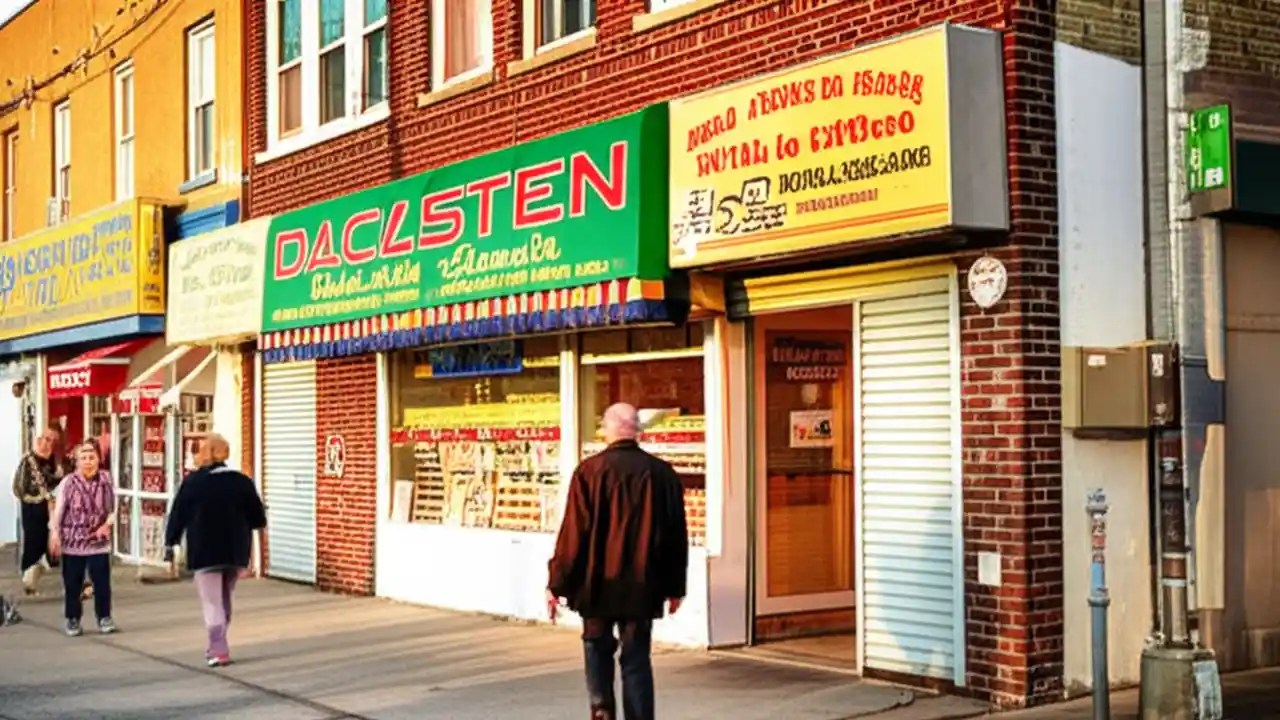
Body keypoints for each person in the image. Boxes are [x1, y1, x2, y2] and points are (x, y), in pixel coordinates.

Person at [547, 403, 689, 720]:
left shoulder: (589, 471)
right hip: (643, 583)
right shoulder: (662, 474)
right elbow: (676, 536)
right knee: (637, 656)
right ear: (636, 430)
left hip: (598, 583)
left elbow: (574, 533)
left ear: (609, 429)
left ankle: (601, 711)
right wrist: (675, 586)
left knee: (596, 647)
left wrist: (557, 582)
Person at [163, 434, 266, 667]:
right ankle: (218, 644)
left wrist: (171, 542)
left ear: (204, 453)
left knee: (212, 602)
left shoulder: (193, 482)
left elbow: (178, 515)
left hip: (204, 549)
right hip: (236, 549)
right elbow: (258, 517)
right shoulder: (242, 481)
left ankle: (218, 649)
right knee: (225, 597)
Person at [49, 441, 117, 636]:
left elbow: (114, 507)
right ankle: (72, 619)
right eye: (84, 458)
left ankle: (104, 617)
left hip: (98, 541)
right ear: (77, 461)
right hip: (73, 541)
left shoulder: (106, 480)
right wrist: (55, 534)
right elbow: (59, 510)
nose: (88, 462)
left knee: (102, 583)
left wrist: (107, 525)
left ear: (98, 459)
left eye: (92, 458)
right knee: (73, 583)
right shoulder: (68, 483)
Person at [11, 428, 66, 595]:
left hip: (47, 507)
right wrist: (34, 498)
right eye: (44, 439)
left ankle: (33, 576)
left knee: (45, 542)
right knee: (33, 541)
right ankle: (28, 577)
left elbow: (53, 481)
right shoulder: (29, 461)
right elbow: (18, 487)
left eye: (50, 441)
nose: (46, 444)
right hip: (32, 507)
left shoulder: (50, 461)